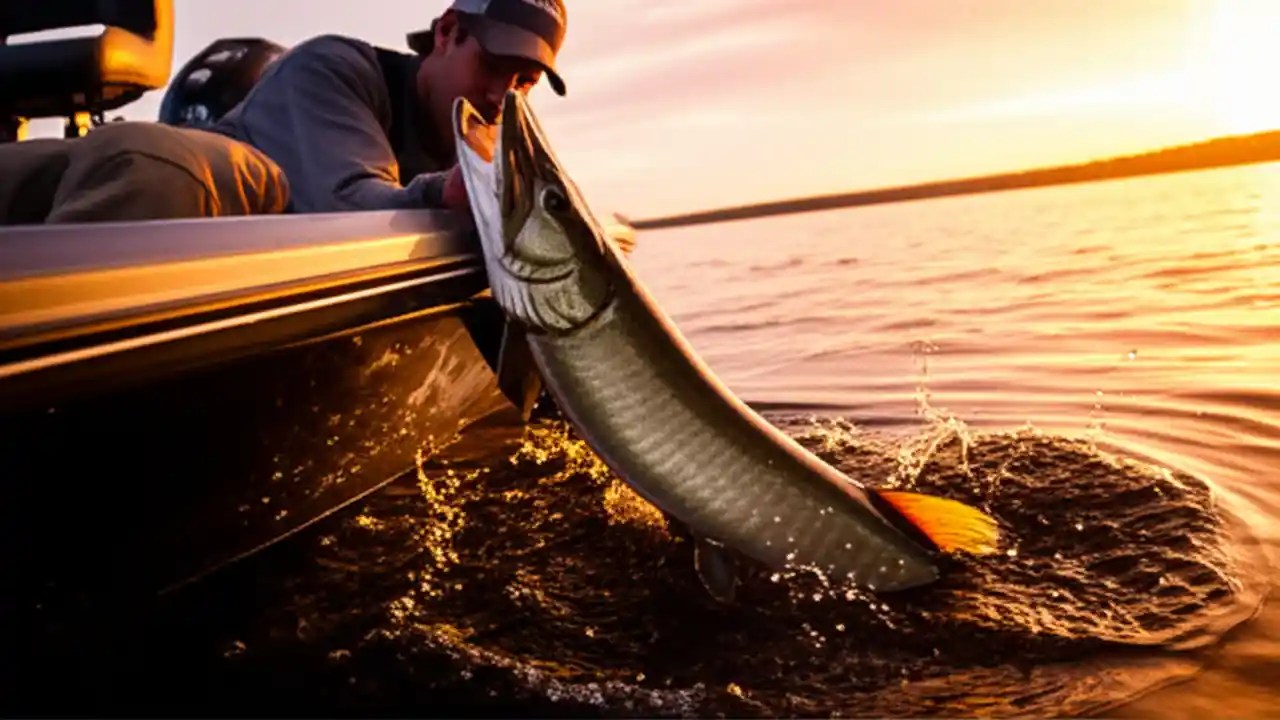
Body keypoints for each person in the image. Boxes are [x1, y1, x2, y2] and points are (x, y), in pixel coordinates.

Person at [0, 0, 567, 225]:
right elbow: (346, 204)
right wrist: (449, 193)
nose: (503, 93)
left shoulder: (488, 141)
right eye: (492, 65)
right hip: (86, 179)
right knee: (178, 170)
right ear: (446, 32)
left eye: (525, 81)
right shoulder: (334, 67)